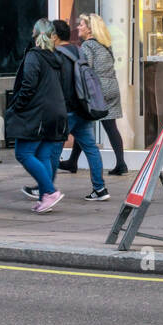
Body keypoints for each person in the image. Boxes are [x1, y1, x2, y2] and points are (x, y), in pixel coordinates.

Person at [6, 19, 69, 214]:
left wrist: (17, 106)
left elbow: (28, 85)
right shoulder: (55, 57)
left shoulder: (34, 56)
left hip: (38, 113)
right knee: (43, 155)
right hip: (56, 112)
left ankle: (50, 192)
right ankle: (45, 198)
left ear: (34, 34)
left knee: (23, 153)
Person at [61, 14, 128, 176]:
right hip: (111, 86)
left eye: (82, 25)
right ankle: (121, 163)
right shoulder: (104, 44)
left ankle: (72, 162)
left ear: (90, 29)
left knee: (81, 123)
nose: (78, 27)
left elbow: (85, 69)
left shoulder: (87, 46)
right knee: (111, 127)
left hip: (97, 90)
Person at [51, 19, 109, 201]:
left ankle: (45, 187)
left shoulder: (56, 55)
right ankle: (100, 189)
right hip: (84, 107)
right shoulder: (79, 50)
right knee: (91, 148)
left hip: (67, 109)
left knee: (52, 147)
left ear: (54, 36)